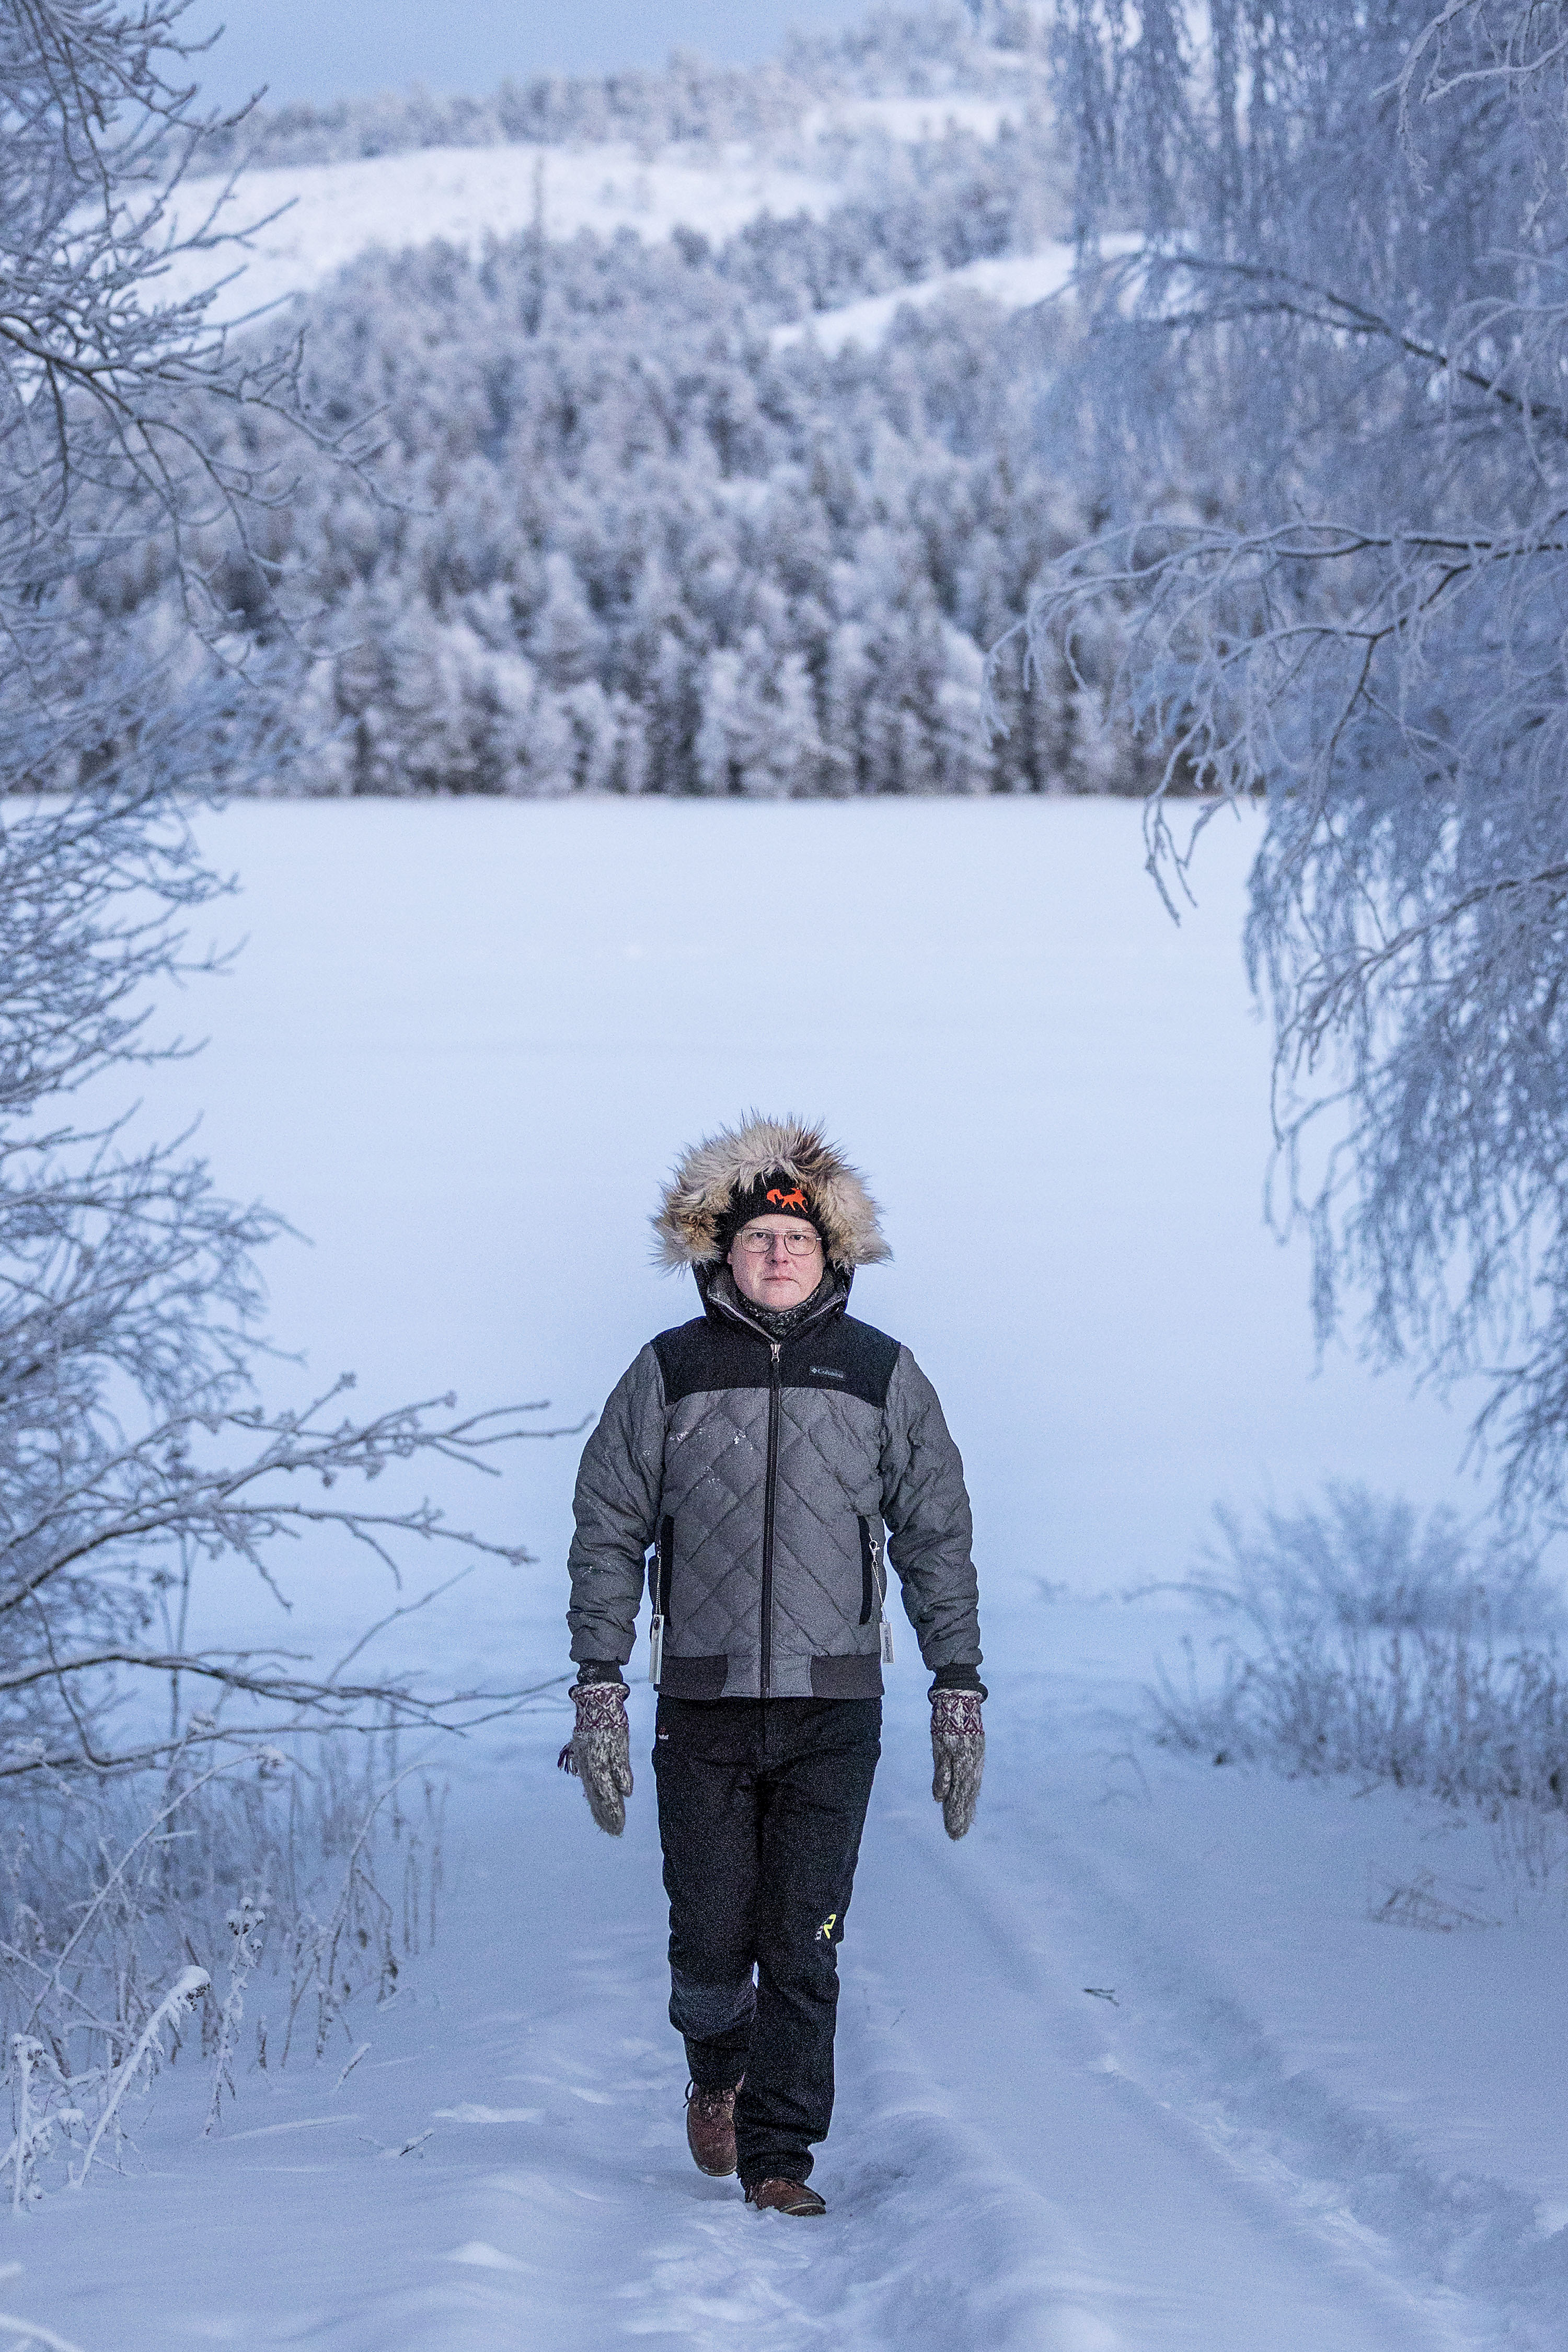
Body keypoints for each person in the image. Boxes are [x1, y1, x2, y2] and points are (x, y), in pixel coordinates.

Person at [559, 1114, 985, 2217]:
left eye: (797, 1240)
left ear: (830, 1254)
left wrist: (959, 1687)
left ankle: (779, 2157)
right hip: (699, 1703)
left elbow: (935, 1534)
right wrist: (600, 1681)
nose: (778, 1254)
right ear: (723, 1253)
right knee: (709, 1938)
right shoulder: (669, 1370)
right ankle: (716, 2071)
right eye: (757, 1239)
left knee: (804, 1943)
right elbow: (608, 1526)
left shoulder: (882, 1374)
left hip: (833, 1707)